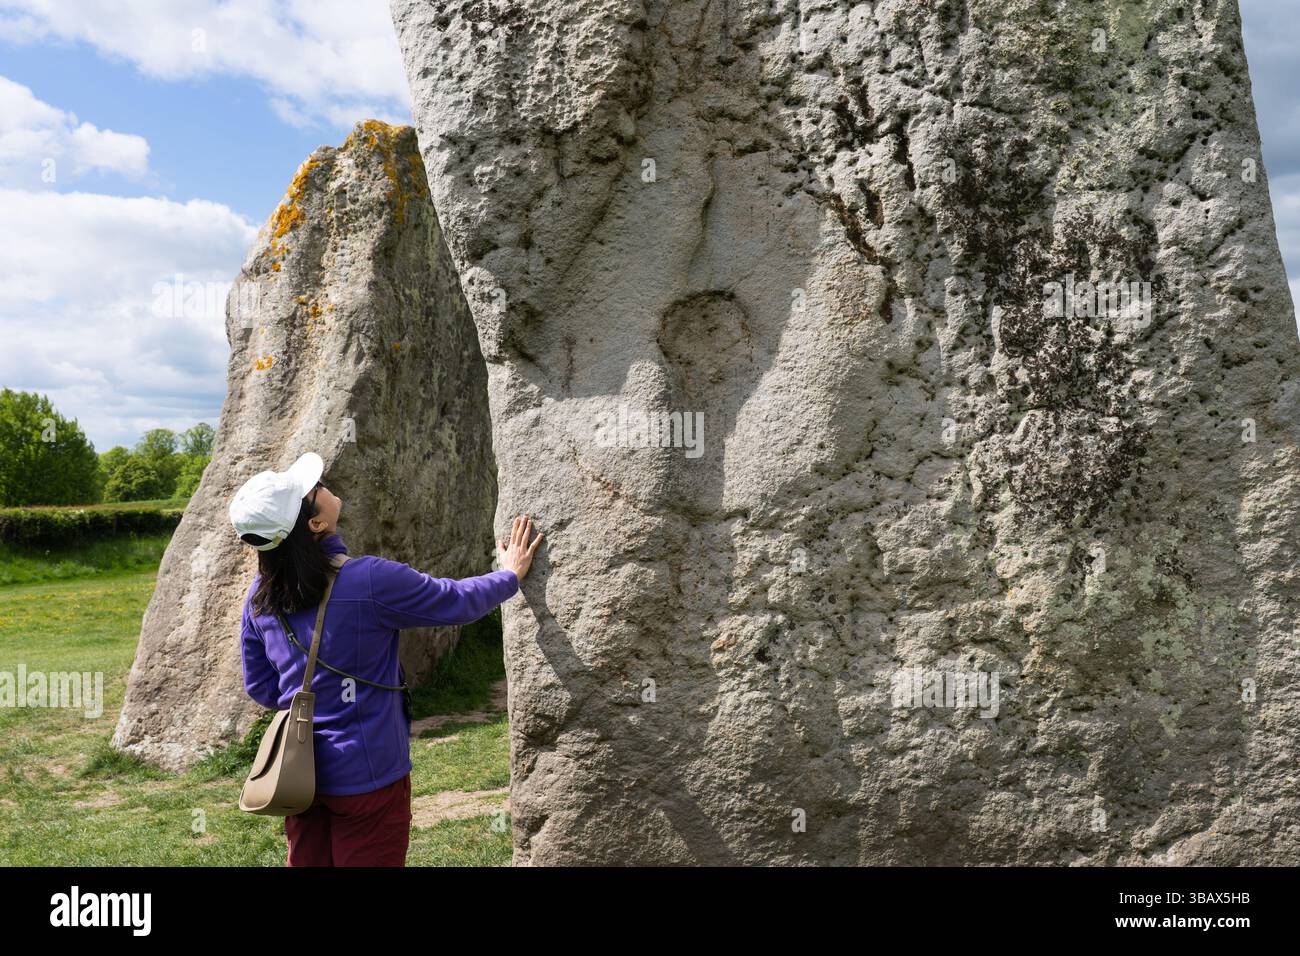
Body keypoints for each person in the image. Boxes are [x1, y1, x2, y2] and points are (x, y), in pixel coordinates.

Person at [228, 451, 542, 866]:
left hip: (297, 775)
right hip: (369, 773)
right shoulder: (370, 579)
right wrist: (509, 574)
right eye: (313, 490)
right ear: (316, 523)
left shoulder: (259, 597)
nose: (321, 485)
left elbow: (263, 688)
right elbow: (456, 602)